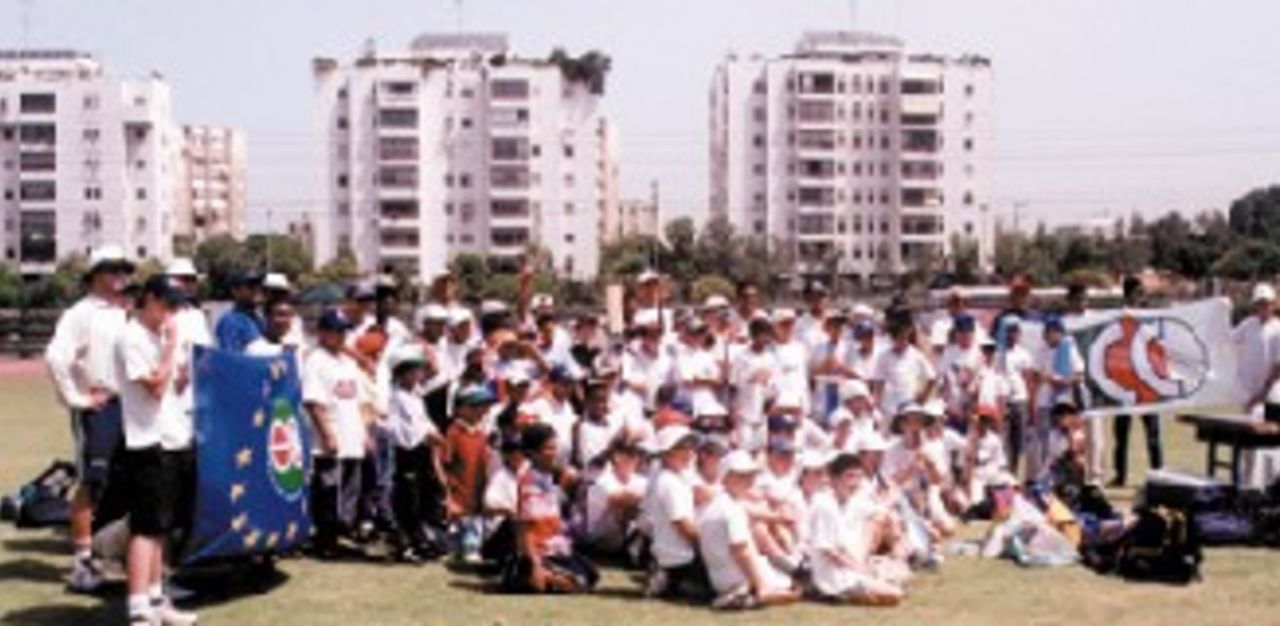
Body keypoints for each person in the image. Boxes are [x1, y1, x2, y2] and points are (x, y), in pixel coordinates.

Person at [44, 245, 133, 593]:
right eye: (111, 270)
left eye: (123, 269)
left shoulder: (125, 311)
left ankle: (113, 555)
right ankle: (82, 564)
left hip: (131, 405)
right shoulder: (81, 313)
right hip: (100, 406)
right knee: (92, 482)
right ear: (94, 274)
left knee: (125, 481)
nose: (119, 276)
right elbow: (56, 358)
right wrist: (77, 399)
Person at [115, 276, 198, 626]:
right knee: (145, 528)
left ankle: (155, 598)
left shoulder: (157, 336)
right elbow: (153, 386)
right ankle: (138, 608)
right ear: (148, 298)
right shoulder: (131, 337)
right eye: (167, 303)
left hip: (172, 436)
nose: (171, 312)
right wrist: (169, 349)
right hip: (147, 441)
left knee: (162, 527)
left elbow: (172, 385)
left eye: (176, 305)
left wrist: (176, 364)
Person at [303, 308, 368, 558]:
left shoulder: (346, 361)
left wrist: (364, 432)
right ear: (322, 332)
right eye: (335, 331)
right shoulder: (316, 360)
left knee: (349, 491)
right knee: (328, 490)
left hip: (352, 434)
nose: (340, 336)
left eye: (343, 331)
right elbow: (312, 401)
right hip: (330, 437)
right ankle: (325, 540)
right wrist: (327, 433)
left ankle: (340, 536)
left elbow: (358, 400)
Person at [698, 451, 800, 610]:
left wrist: (778, 517)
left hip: (718, 577)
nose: (748, 480)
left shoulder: (719, 504)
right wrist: (762, 587)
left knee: (789, 583)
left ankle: (742, 594)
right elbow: (741, 551)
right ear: (726, 477)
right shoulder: (731, 510)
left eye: (750, 475)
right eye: (741, 475)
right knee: (795, 588)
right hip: (736, 575)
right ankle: (747, 593)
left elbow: (750, 510)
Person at [508, 423, 599, 593]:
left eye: (554, 448)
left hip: (554, 547)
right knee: (578, 581)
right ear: (533, 453)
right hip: (538, 551)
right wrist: (535, 564)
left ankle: (548, 578)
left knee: (591, 574)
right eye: (548, 449)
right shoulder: (529, 482)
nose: (553, 453)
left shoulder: (547, 477)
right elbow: (524, 527)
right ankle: (537, 575)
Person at [808, 452, 905, 606]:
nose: (855, 482)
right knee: (895, 593)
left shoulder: (852, 501)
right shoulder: (823, 505)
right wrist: (858, 568)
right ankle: (844, 592)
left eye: (859, 477)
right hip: (834, 577)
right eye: (849, 476)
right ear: (833, 479)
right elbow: (830, 551)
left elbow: (879, 511)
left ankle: (868, 582)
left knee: (898, 578)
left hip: (852, 567)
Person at [385, 345, 447, 562]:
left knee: (422, 495)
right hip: (407, 453)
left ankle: (420, 538)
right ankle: (405, 542)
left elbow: (424, 421)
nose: (419, 374)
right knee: (407, 497)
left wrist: (434, 433)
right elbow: (401, 429)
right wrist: (425, 435)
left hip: (421, 452)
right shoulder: (396, 397)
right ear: (402, 372)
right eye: (414, 369)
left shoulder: (415, 396)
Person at [1108, 277, 1163, 487]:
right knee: (1121, 433)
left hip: (1146, 381)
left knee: (1153, 434)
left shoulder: (1149, 314)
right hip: (1125, 380)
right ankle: (1120, 475)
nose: (1141, 296)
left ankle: (1158, 475)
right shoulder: (1117, 316)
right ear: (1128, 293)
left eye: (1142, 292)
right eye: (1138, 292)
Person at [643, 425, 708, 600]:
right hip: (679, 558)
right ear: (666, 453)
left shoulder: (679, 477)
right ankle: (669, 580)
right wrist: (707, 547)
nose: (688, 452)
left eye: (690, 447)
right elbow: (683, 525)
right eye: (681, 448)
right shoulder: (668, 482)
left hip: (681, 555)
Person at [1234, 282, 1280, 489]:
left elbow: (1277, 368)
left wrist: (1261, 395)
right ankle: (1247, 487)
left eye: (1266, 303)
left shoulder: (1278, 330)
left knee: (1269, 448)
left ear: (1273, 304)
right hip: (1249, 394)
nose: (1262, 307)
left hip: (1270, 396)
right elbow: (1227, 339)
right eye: (1259, 304)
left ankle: (1269, 489)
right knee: (1247, 446)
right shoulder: (1248, 324)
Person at [444, 384, 497, 563]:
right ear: (461, 408)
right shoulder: (454, 433)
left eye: (483, 406)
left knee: (475, 522)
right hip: (459, 492)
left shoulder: (481, 434)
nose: (481, 411)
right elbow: (445, 463)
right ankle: (460, 548)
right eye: (475, 406)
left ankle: (470, 547)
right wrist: (449, 493)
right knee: (462, 524)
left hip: (477, 492)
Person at [1027, 316, 1084, 481]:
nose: (1048, 336)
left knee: (1066, 440)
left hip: (1064, 402)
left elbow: (1079, 374)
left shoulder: (1069, 348)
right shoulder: (1041, 350)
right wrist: (1048, 378)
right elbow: (1034, 373)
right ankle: (1045, 475)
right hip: (1045, 401)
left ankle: (1066, 475)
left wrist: (1066, 381)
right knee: (1045, 441)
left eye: (1052, 332)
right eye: (1047, 333)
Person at [583, 440, 649, 557]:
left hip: (624, 535)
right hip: (602, 538)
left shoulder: (640, 480)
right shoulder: (603, 479)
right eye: (630, 454)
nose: (635, 458)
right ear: (616, 456)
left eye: (637, 454)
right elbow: (620, 498)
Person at [870, 316, 937, 418]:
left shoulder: (916, 355)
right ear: (893, 339)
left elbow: (932, 377)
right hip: (889, 407)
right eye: (899, 338)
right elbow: (879, 381)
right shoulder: (883, 356)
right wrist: (877, 402)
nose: (903, 341)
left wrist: (923, 397)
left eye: (905, 338)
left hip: (910, 405)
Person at [214, 271, 263, 353]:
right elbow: (231, 358)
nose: (256, 290)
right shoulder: (230, 322)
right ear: (235, 291)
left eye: (258, 286)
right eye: (251, 286)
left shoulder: (260, 320)